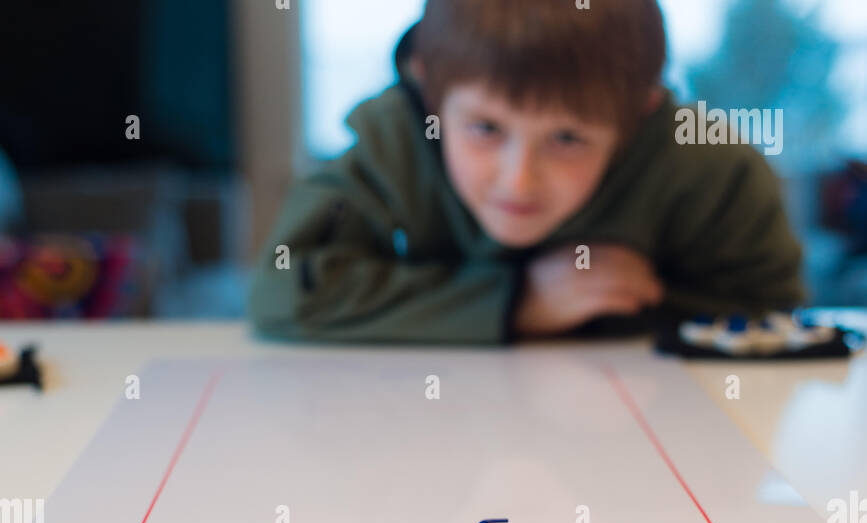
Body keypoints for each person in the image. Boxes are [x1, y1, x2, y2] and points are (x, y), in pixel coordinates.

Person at [249, 0, 805, 345]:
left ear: (641, 113)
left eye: (568, 138)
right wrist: (518, 304)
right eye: (486, 129)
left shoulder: (711, 167)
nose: (518, 182)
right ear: (428, 87)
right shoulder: (392, 141)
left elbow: (772, 317)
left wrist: (620, 308)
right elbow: (281, 289)